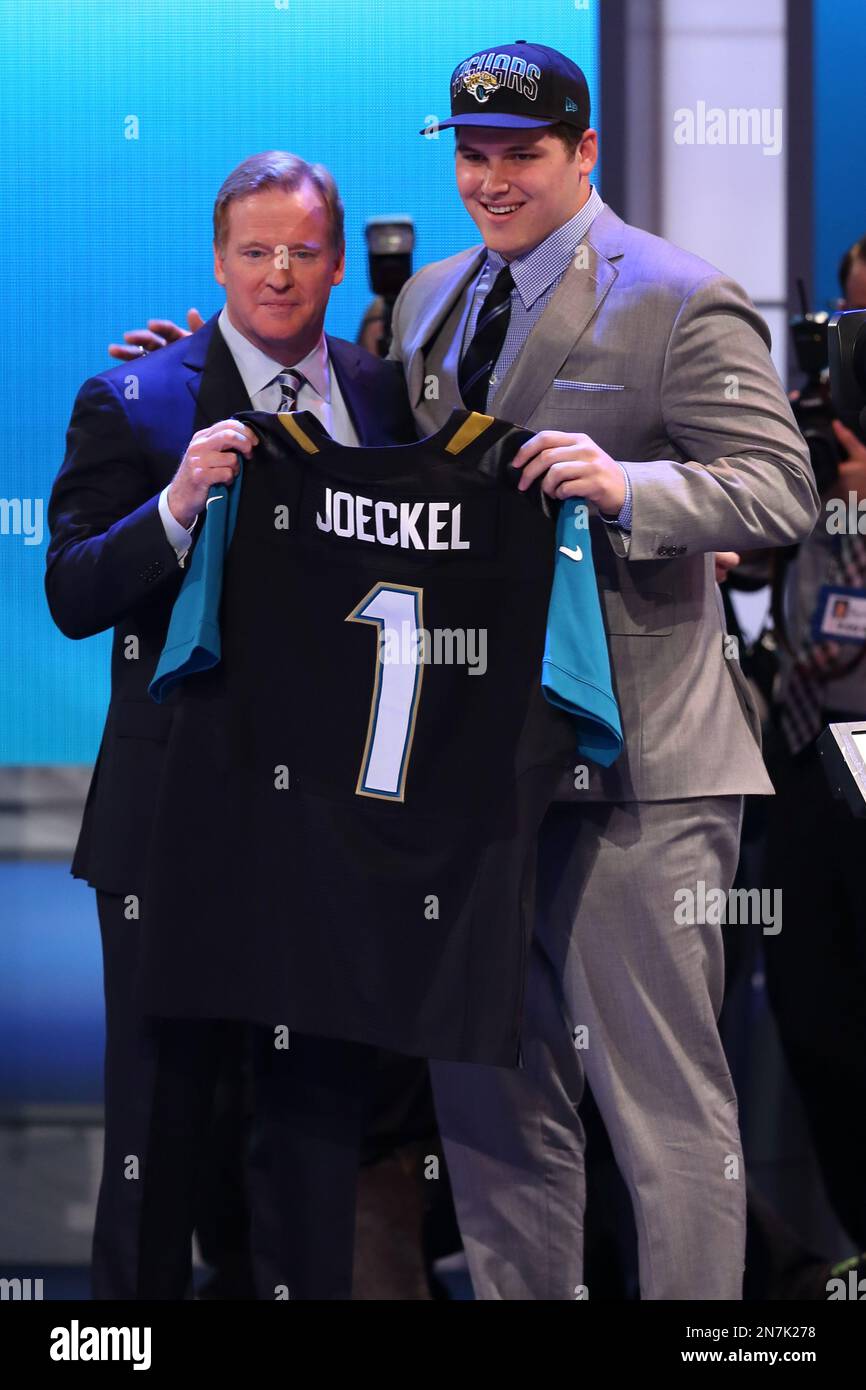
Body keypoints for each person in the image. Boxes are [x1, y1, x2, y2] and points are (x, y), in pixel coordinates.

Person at [387, 41, 818, 1300]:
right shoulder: (429, 304)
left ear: (583, 153)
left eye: (519, 154)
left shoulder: (679, 295)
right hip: (477, 769)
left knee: (662, 1107)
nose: (491, 180)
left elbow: (781, 484)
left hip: (640, 763)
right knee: (487, 1097)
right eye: (472, 155)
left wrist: (624, 483)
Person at [45, 150, 415, 1300]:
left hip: (333, 834)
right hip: (170, 829)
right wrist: (175, 506)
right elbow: (70, 592)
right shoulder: (137, 398)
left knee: (312, 1136)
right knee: (159, 1124)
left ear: (336, 260)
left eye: (302, 251)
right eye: (254, 251)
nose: (278, 273)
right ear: (216, 260)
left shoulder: (385, 394)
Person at [760, 231, 866, 1254]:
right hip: (803, 757)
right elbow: (747, 568)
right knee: (814, 1025)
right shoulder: (813, 428)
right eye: (852, 323)